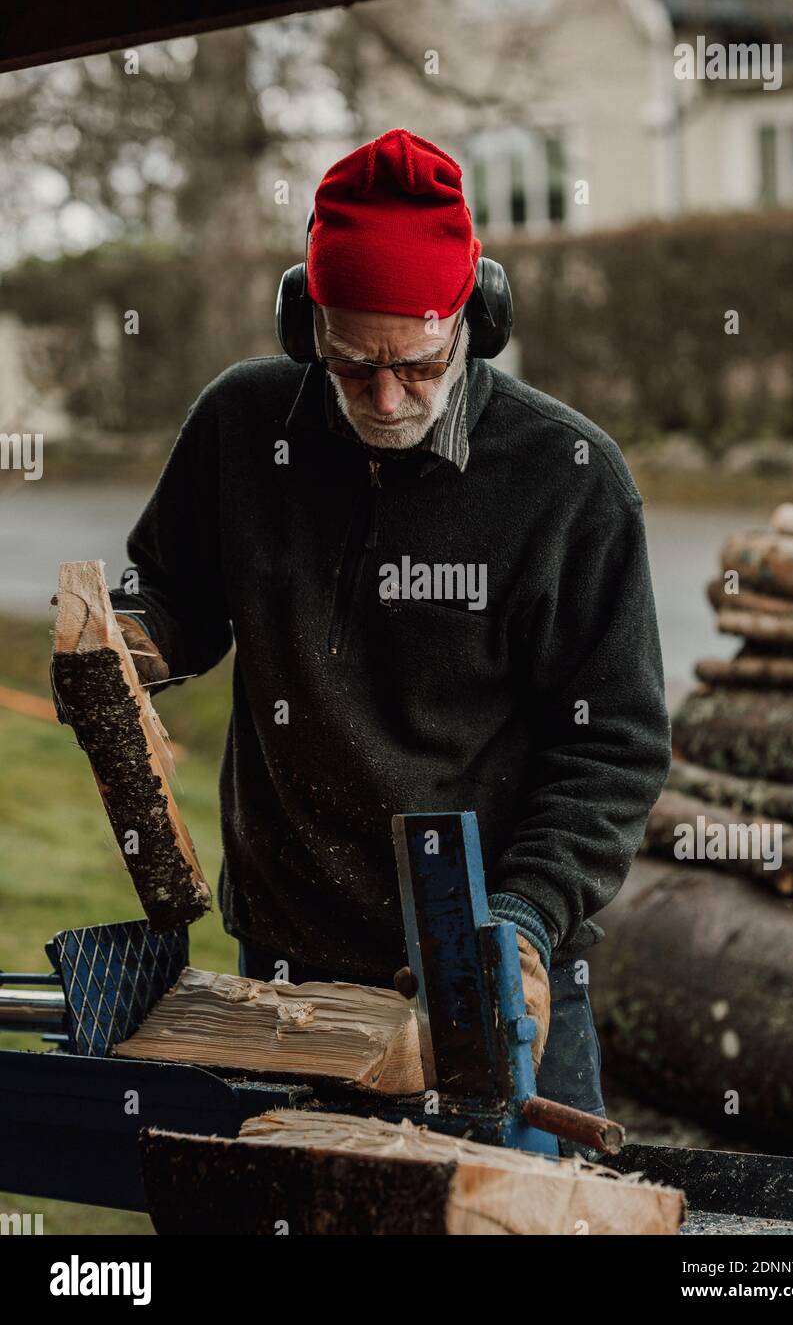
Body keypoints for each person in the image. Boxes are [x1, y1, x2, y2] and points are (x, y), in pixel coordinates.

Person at [111, 128, 671, 1145]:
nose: (383, 398)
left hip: (495, 968)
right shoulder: (242, 431)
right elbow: (168, 599)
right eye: (350, 363)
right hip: (288, 965)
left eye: (415, 365)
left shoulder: (567, 482)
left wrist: (525, 916)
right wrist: (119, 646)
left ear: (475, 318)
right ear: (304, 319)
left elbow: (612, 746)